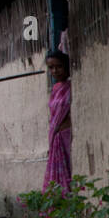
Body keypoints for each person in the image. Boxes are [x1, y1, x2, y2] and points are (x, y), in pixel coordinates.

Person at [43, 49, 72, 193]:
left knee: (69, 176)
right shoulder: (55, 89)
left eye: (59, 66)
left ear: (66, 66)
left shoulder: (70, 87)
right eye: (51, 67)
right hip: (56, 138)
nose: (55, 71)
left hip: (67, 137)